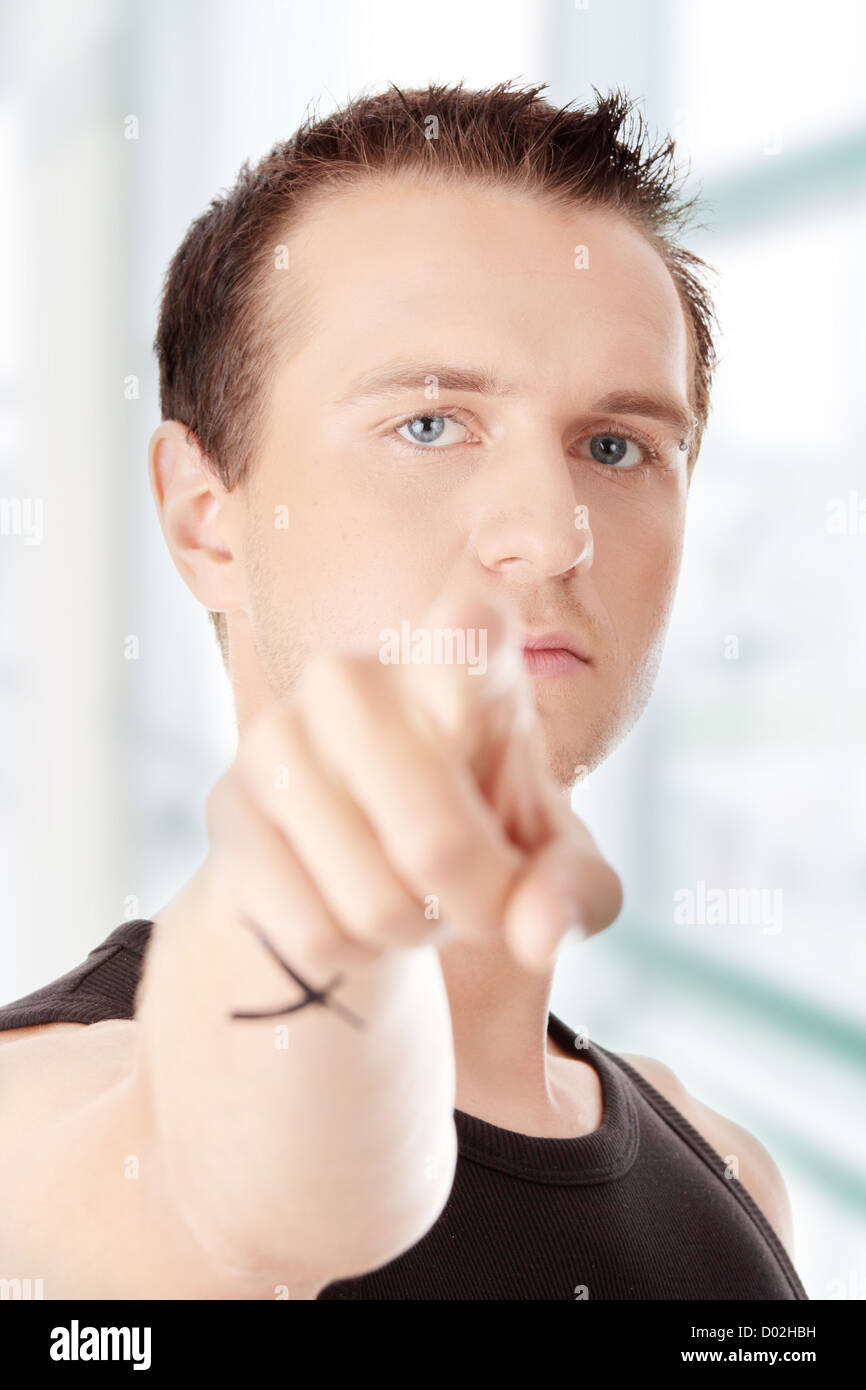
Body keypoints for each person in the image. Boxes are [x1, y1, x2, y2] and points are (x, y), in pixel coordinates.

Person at [0, 80, 808, 1300]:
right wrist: (311, 915)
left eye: (614, 446)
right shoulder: (41, 1125)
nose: (548, 535)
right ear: (206, 517)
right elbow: (242, 1198)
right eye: (431, 425)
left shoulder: (734, 1171)